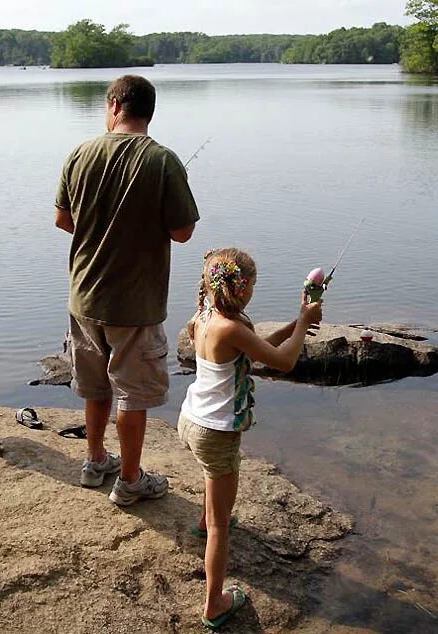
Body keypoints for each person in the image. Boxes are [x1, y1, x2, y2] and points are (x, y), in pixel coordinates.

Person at [54, 74, 199, 505]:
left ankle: (96, 459)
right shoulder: (163, 159)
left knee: (96, 386)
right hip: (135, 304)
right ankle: (131, 480)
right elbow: (183, 231)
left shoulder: (80, 153)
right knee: (132, 393)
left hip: (84, 297)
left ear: (115, 105)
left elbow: (62, 219)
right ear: (148, 111)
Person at [178, 248, 323, 629]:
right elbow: (283, 362)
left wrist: (298, 324)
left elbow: (260, 347)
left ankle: (204, 520)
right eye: (254, 284)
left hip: (191, 419)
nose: (255, 289)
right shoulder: (233, 327)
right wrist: (304, 323)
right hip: (216, 431)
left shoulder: (204, 317)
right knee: (223, 525)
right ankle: (214, 604)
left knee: (212, 481)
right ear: (242, 289)